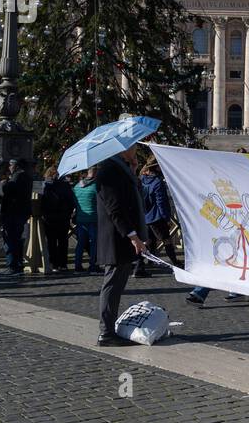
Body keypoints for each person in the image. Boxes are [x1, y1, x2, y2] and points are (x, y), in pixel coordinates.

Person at [94, 144, 148, 346]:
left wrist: (133, 172)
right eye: (133, 146)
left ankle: (108, 329)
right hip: (116, 239)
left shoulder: (120, 169)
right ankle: (106, 333)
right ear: (122, 149)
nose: (136, 149)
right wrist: (132, 235)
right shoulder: (108, 171)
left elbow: (130, 200)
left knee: (116, 285)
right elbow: (114, 208)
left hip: (122, 238)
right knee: (112, 285)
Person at [139, 162, 178, 268]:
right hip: (157, 216)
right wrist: (166, 218)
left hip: (145, 216)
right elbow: (161, 202)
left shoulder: (142, 179)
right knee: (166, 240)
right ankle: (175, 262)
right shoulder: (157, 182)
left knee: (149, 241)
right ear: (156, 167)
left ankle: (145, 264)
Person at [0, 159, 33, 274]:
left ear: (16, 166)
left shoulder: (17, 177)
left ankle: (12, 266)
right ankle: (18, 265)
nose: (9, 167)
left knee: (10, 239)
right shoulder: (27, 177)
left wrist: (4, 184)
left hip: (12, 212)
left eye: (10, 165)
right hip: (22, 212)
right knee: (18, 239)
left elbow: (9, 191)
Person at [40, 167, 76, 274]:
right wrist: (68, 213)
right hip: (63, 217)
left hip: (49, 218)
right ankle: (63, 264)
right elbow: (71, 201)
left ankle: (54, 263)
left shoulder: (45, 186)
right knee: (63, 241)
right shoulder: (65, 186)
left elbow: (42, 203)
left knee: (51, 242)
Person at [72, 170, 101, 273]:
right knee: (94, 243)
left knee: (80, 243)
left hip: (81, 218)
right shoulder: (96, 187)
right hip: (93, 218)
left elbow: (75, 203)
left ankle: (77, 266)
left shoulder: (76, 187)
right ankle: (93, 265)